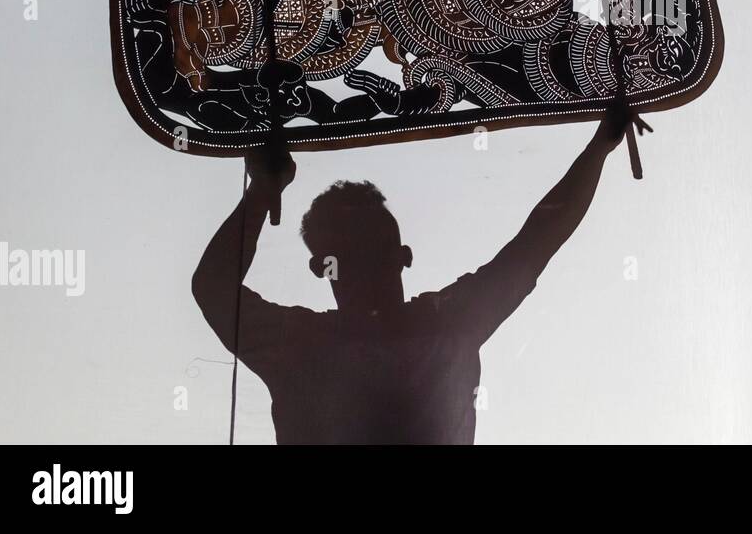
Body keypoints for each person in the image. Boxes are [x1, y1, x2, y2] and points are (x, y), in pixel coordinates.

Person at [192, 105, 637, 444]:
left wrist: (263, 191)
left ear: (400, 256)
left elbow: (538, 240)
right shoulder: (449, 320)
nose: (368, 263)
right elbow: (537, 241)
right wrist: (598, 148)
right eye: (355, 248)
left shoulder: (297, 343)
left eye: (373, 248)